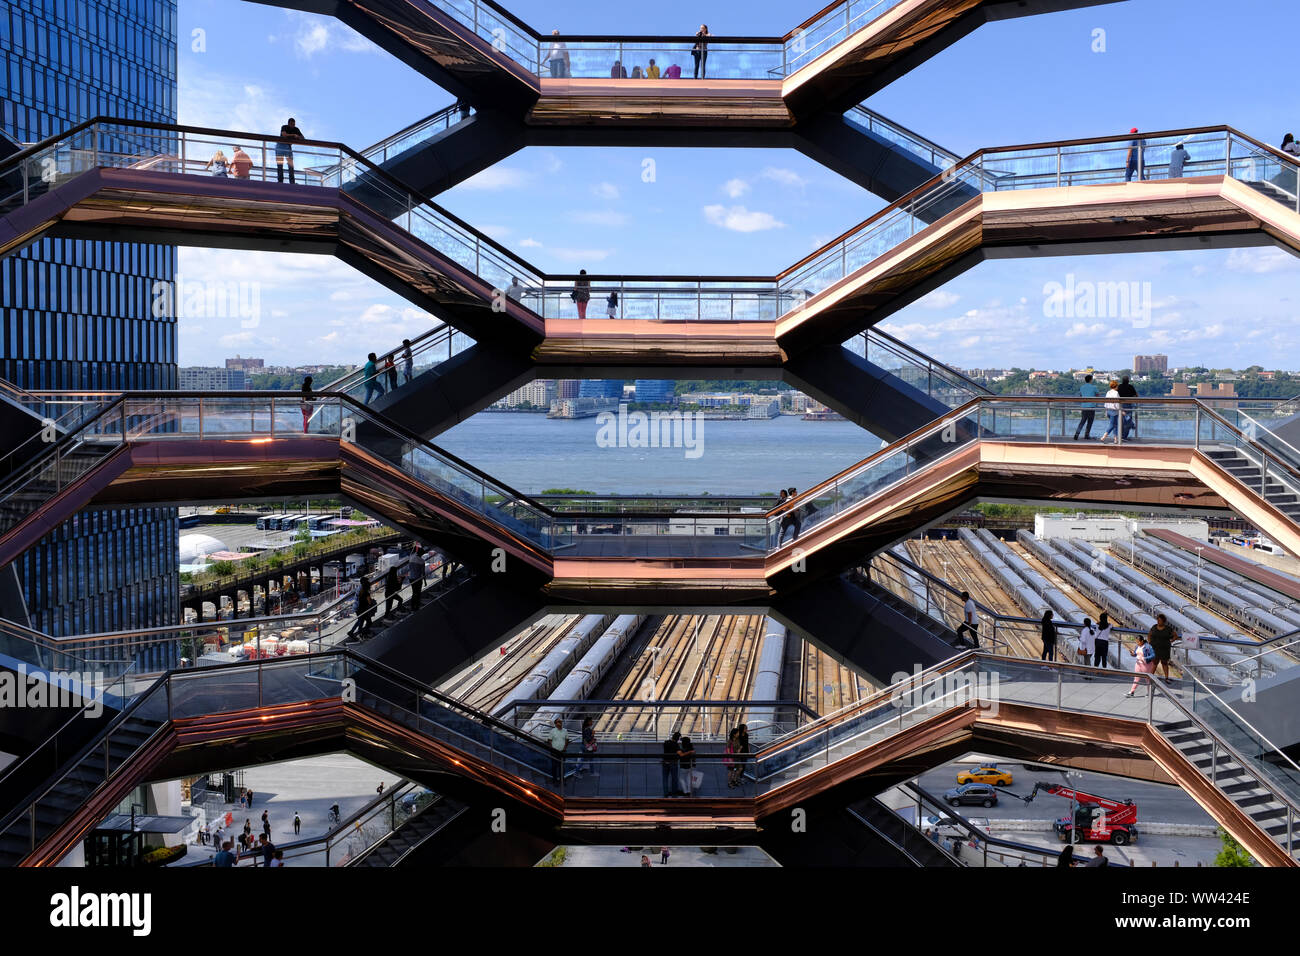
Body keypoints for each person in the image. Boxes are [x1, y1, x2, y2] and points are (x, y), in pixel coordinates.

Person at [1147, 612, 1179, 681]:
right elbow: (1149, 634)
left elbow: (1176, 636)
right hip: (1155, 648)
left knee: (1164, 663)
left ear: (1163, 621)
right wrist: (1149, 642)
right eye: (1158, 620)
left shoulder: (1168, 629)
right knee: (1155, 663)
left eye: (1160, 620)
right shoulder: (1154, 627)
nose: (1158, 622)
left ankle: (1166, 678)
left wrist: (1171, 641)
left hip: (1165, 649)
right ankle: (1150, 677)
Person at [276, 117, 303, 184]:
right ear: (288, 123)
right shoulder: (284, 127)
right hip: (280, 146)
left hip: (288, 146)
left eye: (293, 124)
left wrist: (297, 137)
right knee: (280, 165)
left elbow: (303, 138)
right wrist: (294, 135)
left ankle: (292, 182)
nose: (292, 126)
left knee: (290, 166)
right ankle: (280, 182)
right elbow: (284, 135)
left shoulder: (296, 129)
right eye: (291, 124)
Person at [1073, 374, 1098, 440]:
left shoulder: (1082, 387)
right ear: (1090, 380)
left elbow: (1081, 395)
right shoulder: (1094, 387)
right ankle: (1087, 435)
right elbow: (1098, 395)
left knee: (1082, 421)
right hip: (1091, 406)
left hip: (1084, 406)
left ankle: (1077, 434)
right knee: (1090, 421)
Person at [1117, 374, 1138, 440]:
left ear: (1122, 381)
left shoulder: (1119, 386)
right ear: (1128, 381)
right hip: (1129, 405)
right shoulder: (1130, 387)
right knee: (1127, 420)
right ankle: (1125, 436)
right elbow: (1136, 395)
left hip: (1121, 405)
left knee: (1122, 421)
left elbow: (1116, 395)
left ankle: (1121, 436)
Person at [662, 730, 682, 795]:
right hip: (673, 762)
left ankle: (665, 793)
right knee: (674, 778)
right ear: (677, 739)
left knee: (665, 778)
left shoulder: (666, 742)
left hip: (665, 762)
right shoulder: (676, 745)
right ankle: (674, 792)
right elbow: (680, 753)